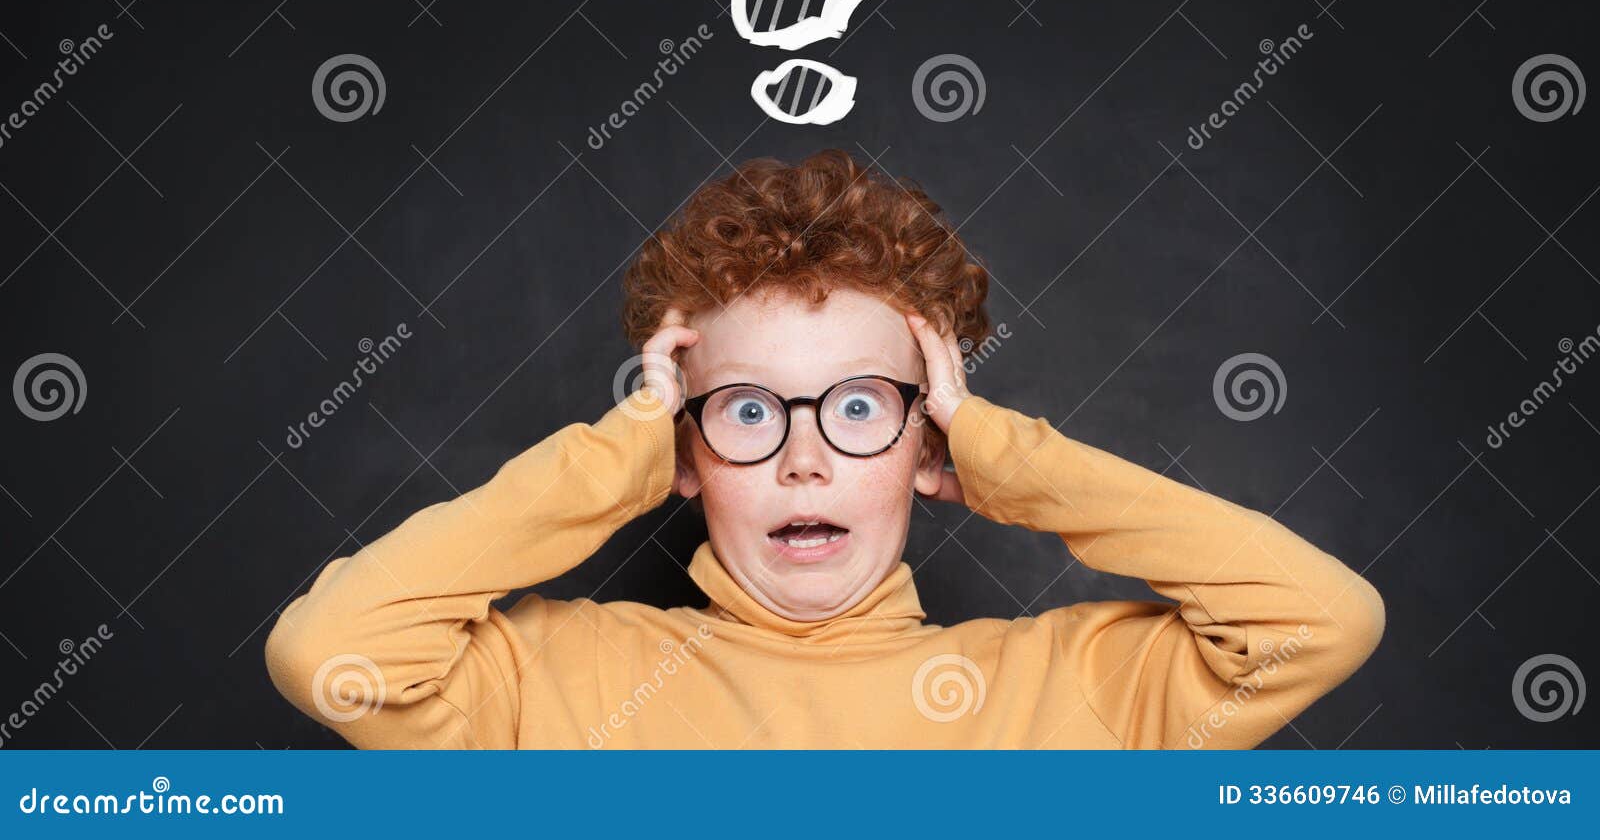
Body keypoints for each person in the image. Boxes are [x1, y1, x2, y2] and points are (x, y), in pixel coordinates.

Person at [265, 148, 1384, 748]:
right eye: (750, 410)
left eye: (856, 408)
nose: (804, 459)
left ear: (922, 442)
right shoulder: (544, 683)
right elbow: (330, 652)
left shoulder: (1078, 693)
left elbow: (1317, 620)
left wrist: (1012, 460)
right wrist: (607, 470)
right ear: (685, 453)